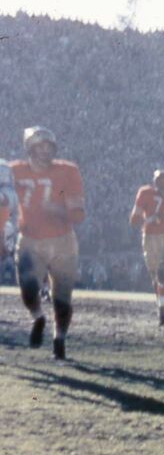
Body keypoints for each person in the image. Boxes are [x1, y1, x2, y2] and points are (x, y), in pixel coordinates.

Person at [9, 127, 85, 359]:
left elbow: (79, 214)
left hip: (62, 240)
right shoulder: (13, 171)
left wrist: (60, 211)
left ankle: (59, 339)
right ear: (29, 148)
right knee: (28, 290)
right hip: (30, 239)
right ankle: (38, 317)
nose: (45, 151)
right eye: (40, 147)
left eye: (48, 147)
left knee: (62, 297)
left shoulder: (68, 171)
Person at [129, 169, 164, 325]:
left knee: (162, 272)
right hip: (151, 236)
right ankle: (161, 303)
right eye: (159, 181)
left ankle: (162, 304)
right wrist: (149, 219)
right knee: (156, 276)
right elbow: (134, 220)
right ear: (154, 182)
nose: (162, 185)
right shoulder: (146, 193)